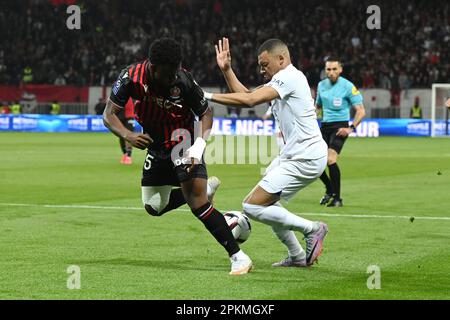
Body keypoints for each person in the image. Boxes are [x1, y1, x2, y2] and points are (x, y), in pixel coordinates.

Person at [103, 37, 252, 275]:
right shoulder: (130, 77)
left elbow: (206, 113)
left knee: (198, 204)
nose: (172, 77)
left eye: (175, 72)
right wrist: (127, 135)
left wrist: (199, 147)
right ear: (153, 68)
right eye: (167, 73)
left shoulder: (183, 80)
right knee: (153, 207)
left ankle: (238, 257)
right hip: (156, 145)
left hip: (183, 142)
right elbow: (109, 114)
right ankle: (203, 190)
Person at [204, 38, 329, 268]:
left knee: (252, 206)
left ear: (281, 59)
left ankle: (312, 229)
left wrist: (206, 96)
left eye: (265, 64)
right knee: (266, 204)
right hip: (293, 155)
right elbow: (245, 94)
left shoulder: (289, 77)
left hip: (305, 157)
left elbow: (249, 100)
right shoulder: (280, 81)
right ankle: (297, 255)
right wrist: (227, 70)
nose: (261, 70)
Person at [315, 57, 366, 207]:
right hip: (324, 126)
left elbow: (361, 111)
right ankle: (330, 189)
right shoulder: (321, 85)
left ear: (340, 70)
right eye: (328, 69)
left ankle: (337, 198)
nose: (331, 72)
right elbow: (318, 107)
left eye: (334, 69)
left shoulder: (348, 86)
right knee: (315, 163)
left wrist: (351, 128)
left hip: (339, 128)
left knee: (331, 159)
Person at [117, 98, 135, 165]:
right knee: (121, 136)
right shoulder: (118, 90)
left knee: (129, 135)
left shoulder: (133, 90)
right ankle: (125, 154)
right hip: (120, 116)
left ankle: (128, 156)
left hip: (130, 115)